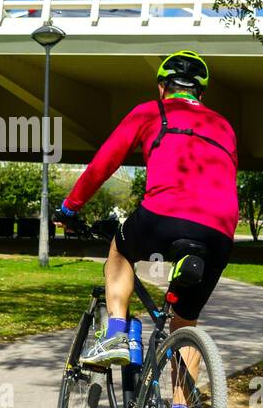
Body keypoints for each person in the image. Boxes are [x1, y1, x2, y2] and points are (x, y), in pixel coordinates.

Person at [56, 50, 239, 381]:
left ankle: (115, 334)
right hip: (219, 232)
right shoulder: (223, 126)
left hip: (164, 214)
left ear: (162, 88)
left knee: (121, 249)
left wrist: (70, 207)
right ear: (202, 92)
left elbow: (103, 164)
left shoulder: (149, 112)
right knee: (185, 323)